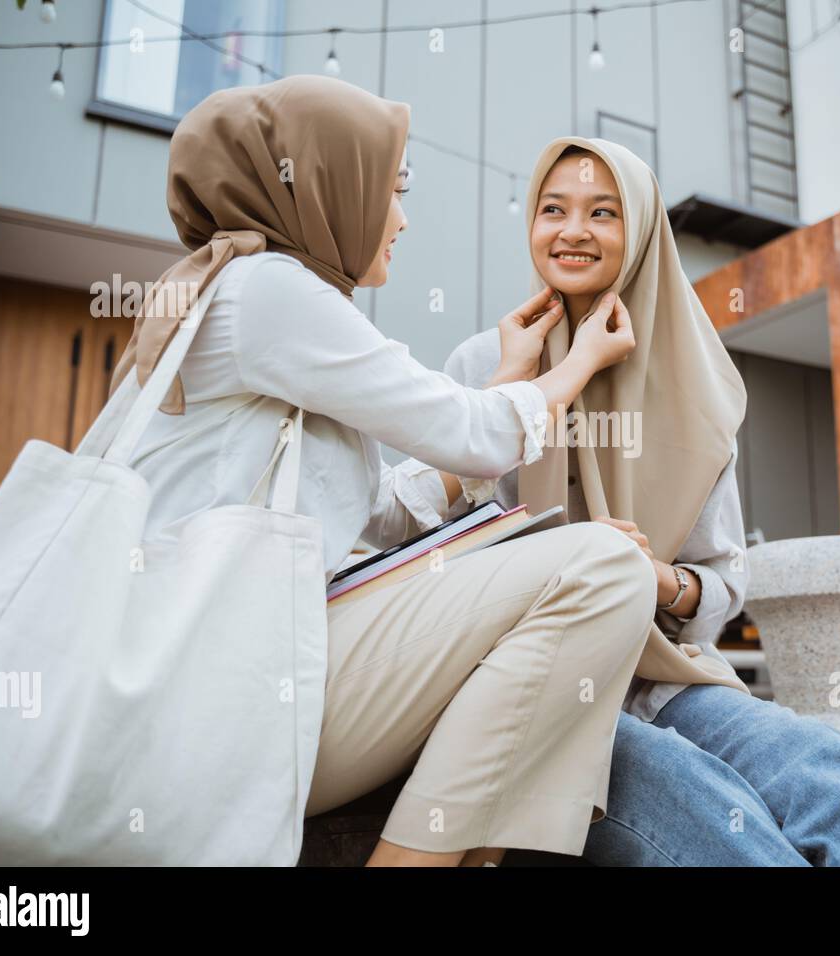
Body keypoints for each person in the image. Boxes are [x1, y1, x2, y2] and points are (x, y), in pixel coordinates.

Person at [111, 77, 659, 867]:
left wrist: (509, 380)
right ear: (325, 187)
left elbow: (381, 513)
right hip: (227, 706)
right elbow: (471, 433)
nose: (400, 217)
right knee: (605, 565)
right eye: (389, 190)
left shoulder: (236, 298)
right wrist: (572, 367)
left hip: (233, 682)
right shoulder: (267, 291)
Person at [441, 137, 840, 866]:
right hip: (536, 687)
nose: (572, 230)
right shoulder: (483, 365)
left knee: (829, 770)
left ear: (643, 231)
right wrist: (563, 563)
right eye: (553, 209)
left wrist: (657, 580)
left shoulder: (696, 386)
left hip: (662, 674)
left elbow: (724, 581)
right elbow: (434, 547)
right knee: (708, 807)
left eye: (603, 213)